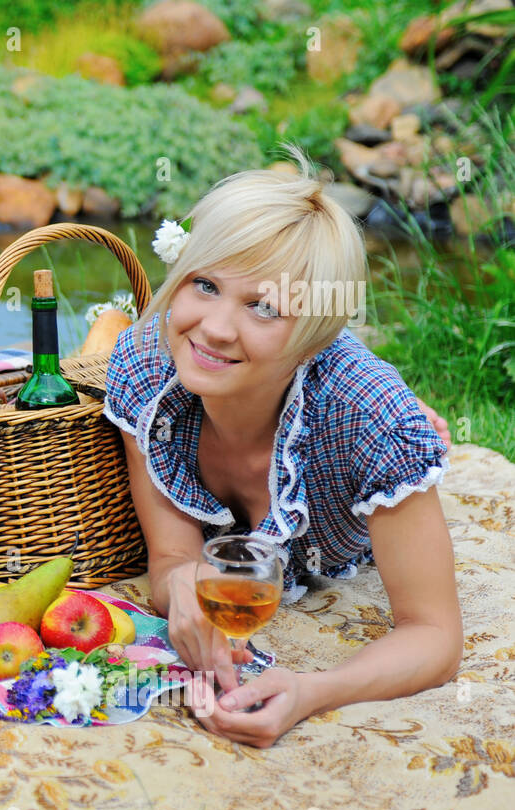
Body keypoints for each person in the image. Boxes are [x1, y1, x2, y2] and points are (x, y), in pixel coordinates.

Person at [103, 145, 462, 748]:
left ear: (316, 335)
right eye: (205, 284)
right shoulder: (146, 367)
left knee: (394, 425)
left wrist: (311, 692)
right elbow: (168, 558)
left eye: (263, 308)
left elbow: (434, 635)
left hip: (357, 424)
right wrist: (187, 587)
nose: (215, 328)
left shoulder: (368, 417)